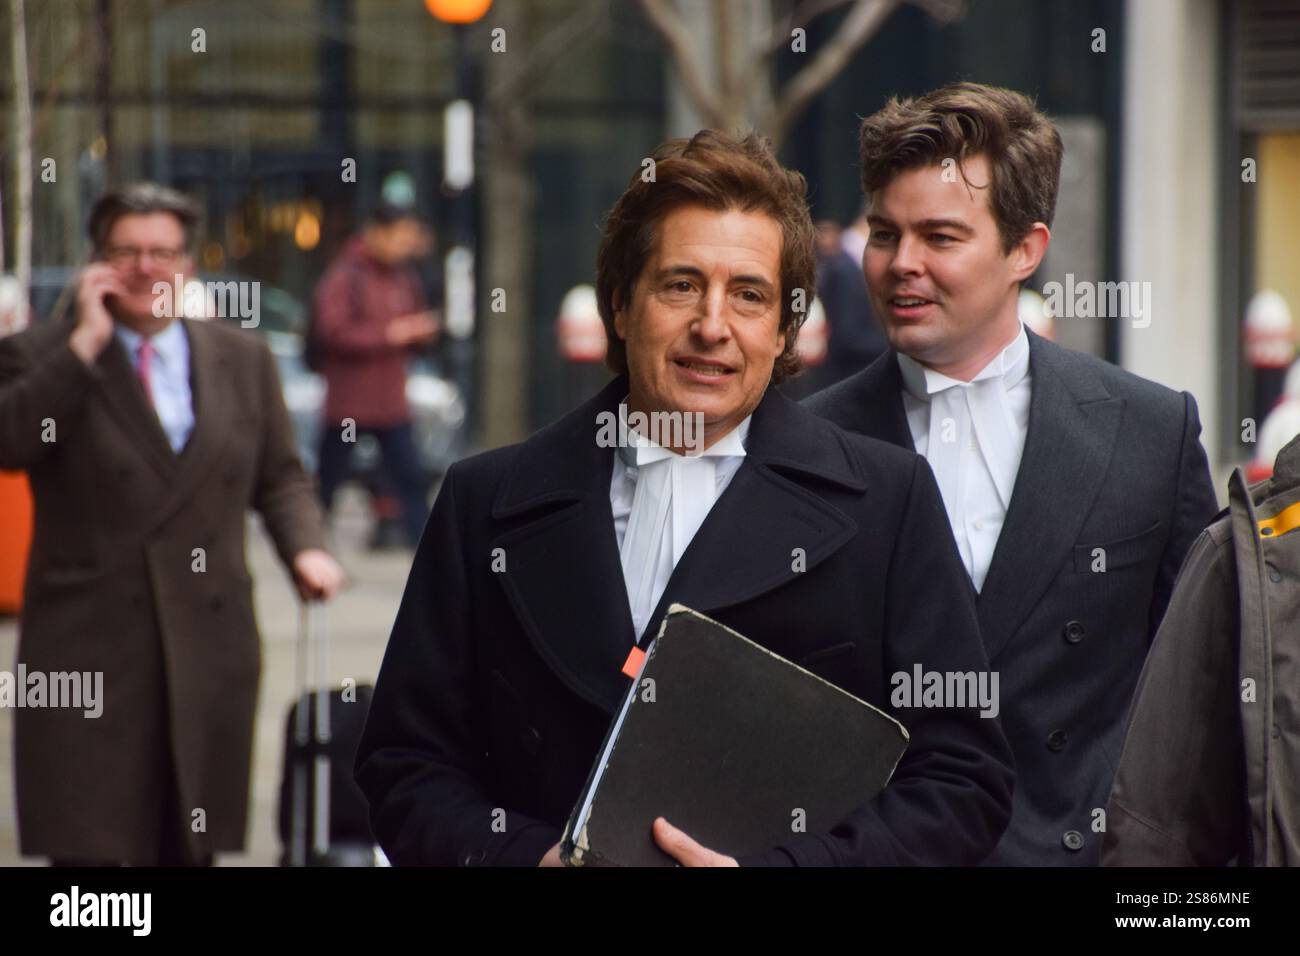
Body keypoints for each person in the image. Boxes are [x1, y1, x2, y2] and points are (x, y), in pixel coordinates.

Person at [355, 130, 1013, 867]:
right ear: (621, 305)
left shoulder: (888, 504)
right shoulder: (484, 503)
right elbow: (404, 767)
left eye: (749, 296)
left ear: (783, 330)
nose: (712, 326)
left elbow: (964, 780)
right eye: (680, 285)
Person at [805, 82, 1219, 864]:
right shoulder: (804, 444)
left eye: (941, 237)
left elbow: (1201, 695)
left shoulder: (1153, 432)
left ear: (1026, 250)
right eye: (886, 235)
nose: (902, 265)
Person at [0, 182, 344, 866]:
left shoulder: (241, 360)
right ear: (96, 264)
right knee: (90, 852)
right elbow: (11, 442)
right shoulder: (43, 355)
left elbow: (279, 475)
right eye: (126, 251)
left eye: (162, 251)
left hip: (207, 641)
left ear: (188, 264)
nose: (146, 267)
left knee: (187, 842)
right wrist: (84, 345)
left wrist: (306, 549)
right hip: (88, 652)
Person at [312, 202, 440, 549]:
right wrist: (392, 334)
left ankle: (431, 553)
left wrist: (419, 333)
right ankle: (308, 550)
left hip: (392, 403)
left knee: (411, 478)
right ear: (378, 232)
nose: (406, 245)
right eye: (401, 236)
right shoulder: (345, 275)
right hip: (348, 403)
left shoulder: (404, 276)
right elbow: (332, 331)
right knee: (328, 482)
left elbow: (411, 326)